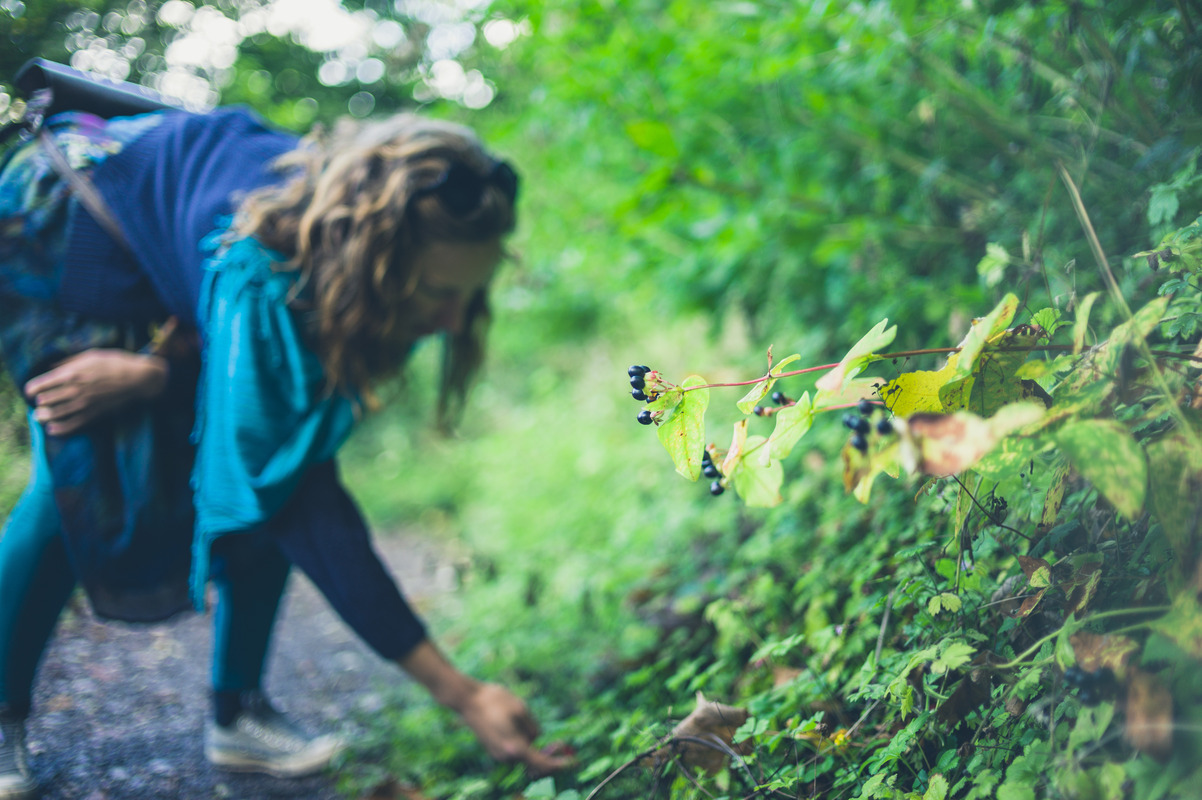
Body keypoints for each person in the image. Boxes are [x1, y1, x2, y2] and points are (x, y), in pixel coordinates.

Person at [0, 104, 569, 799]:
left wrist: (163, 373)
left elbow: (275, 447)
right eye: (438, 293)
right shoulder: (264, 269)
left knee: (270, 459)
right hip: (66, 226)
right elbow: (305, 501)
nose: (451, 320)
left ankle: (237, 714)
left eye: (467, 293)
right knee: (80, 478)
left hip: (170, 254)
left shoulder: (344, 248)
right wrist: (462, 693)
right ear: (379, 260)